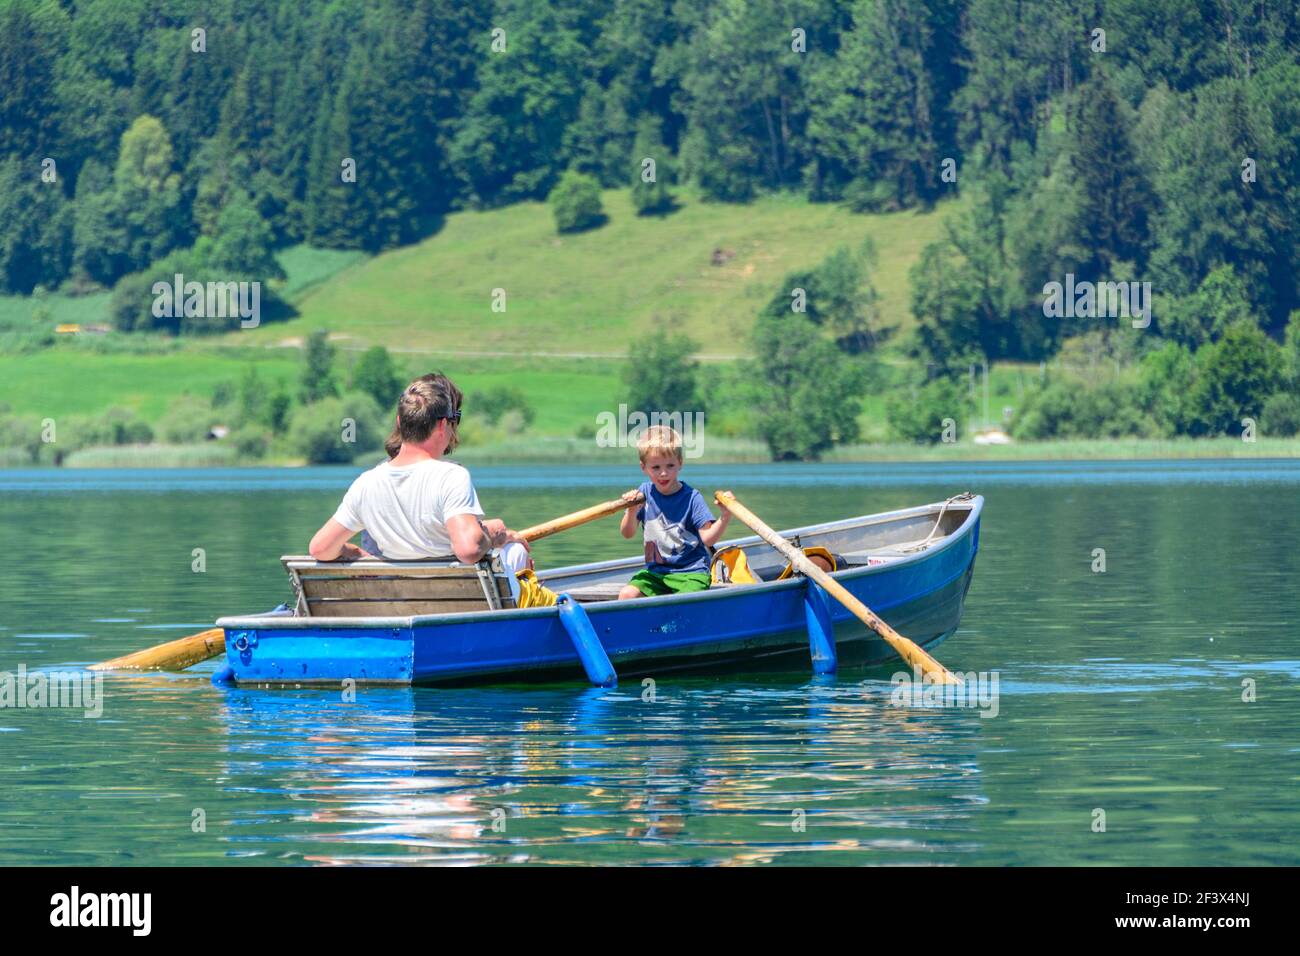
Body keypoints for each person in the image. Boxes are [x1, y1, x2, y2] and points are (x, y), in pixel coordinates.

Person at [308, 373, 532, 593]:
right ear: (443, 425)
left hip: (397, 600)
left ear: (400, 422)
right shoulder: (451, 476)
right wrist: (493, 533)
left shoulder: (366, 482)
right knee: (515, 552)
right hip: (454, 600)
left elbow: (320, 548)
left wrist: (355, 553)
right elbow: (468, 549)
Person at [617, 424, 732, 599]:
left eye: (670, 465)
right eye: (656, 468)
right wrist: (631, 511)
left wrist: (725, 516)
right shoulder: (644, 493)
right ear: (644, 467)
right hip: (656, 572)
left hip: (691, 573)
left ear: (680, 463)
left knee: (683, 602)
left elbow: (708, 538)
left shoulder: (692, 497)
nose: (663, 473)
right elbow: (627, 533)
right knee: (627, 594)